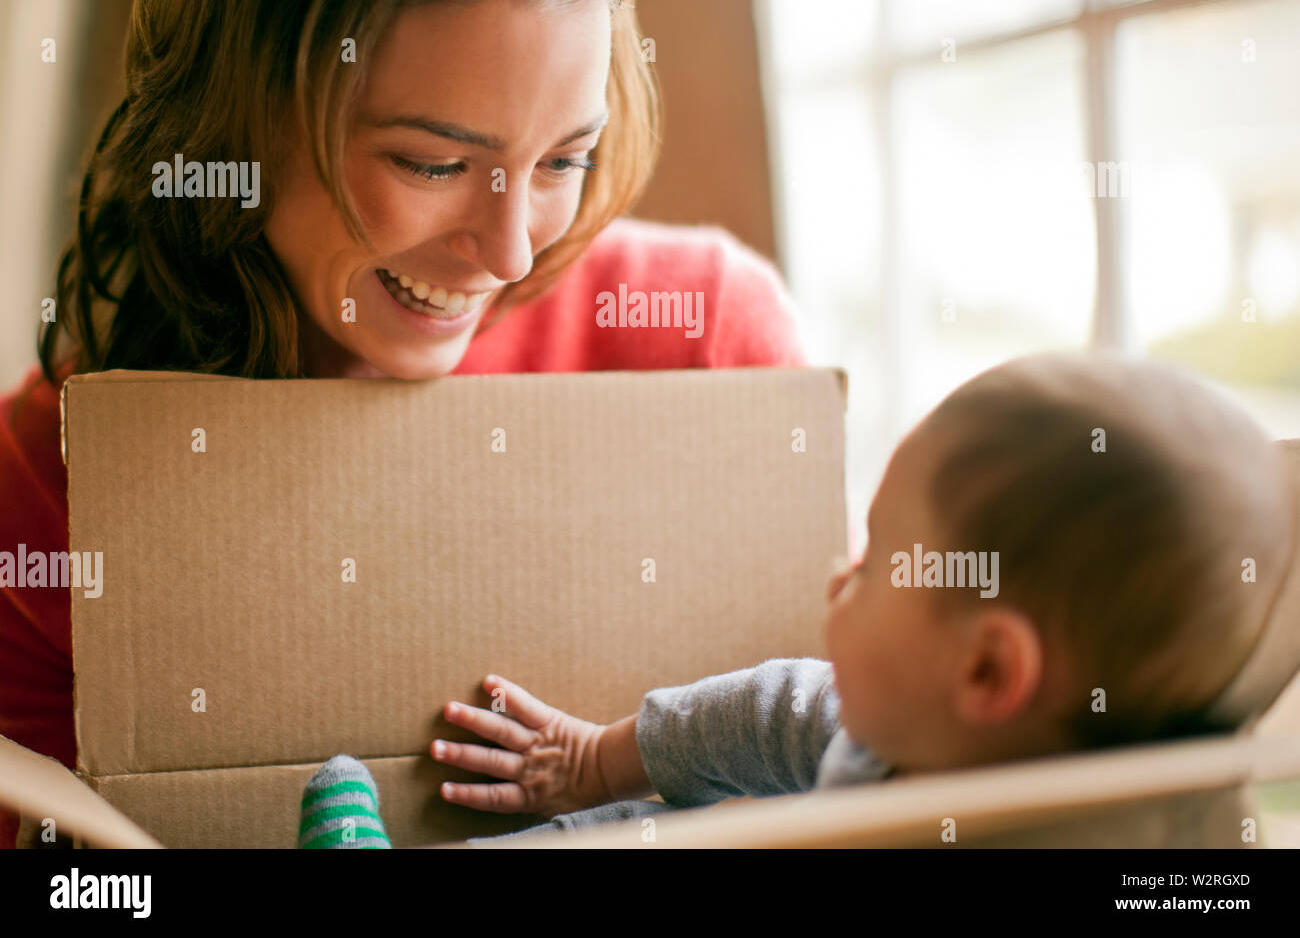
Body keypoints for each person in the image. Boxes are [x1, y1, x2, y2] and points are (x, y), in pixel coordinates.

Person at [0, 0, 807, 849]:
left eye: (565, 158)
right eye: (432, 161)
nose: (512, 251)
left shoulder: (704, 339)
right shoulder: (49, 483)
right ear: (234, 111)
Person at [295, 353, 1299, 849]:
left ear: (988, 668)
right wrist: (590, 762)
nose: (836, 579)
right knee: (641, 827)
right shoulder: (891, 732)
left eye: (874, 566)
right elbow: (772, 711)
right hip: (768, 817)